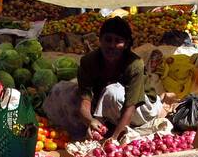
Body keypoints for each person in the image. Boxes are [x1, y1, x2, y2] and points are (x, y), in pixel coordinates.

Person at [44, 16, 147, 144]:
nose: (112, 46)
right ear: (100, 40)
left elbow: (130, 108)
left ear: (126, 44)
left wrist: (113, 140)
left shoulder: (135, 64)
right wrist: (90, 120)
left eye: (118, 41)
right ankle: (93, 129)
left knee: (112, 92)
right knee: (62, 90)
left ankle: (116, 131)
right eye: (108, 40)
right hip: (106, 104)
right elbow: (85, 100)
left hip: (140, 108)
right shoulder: (89, 61)